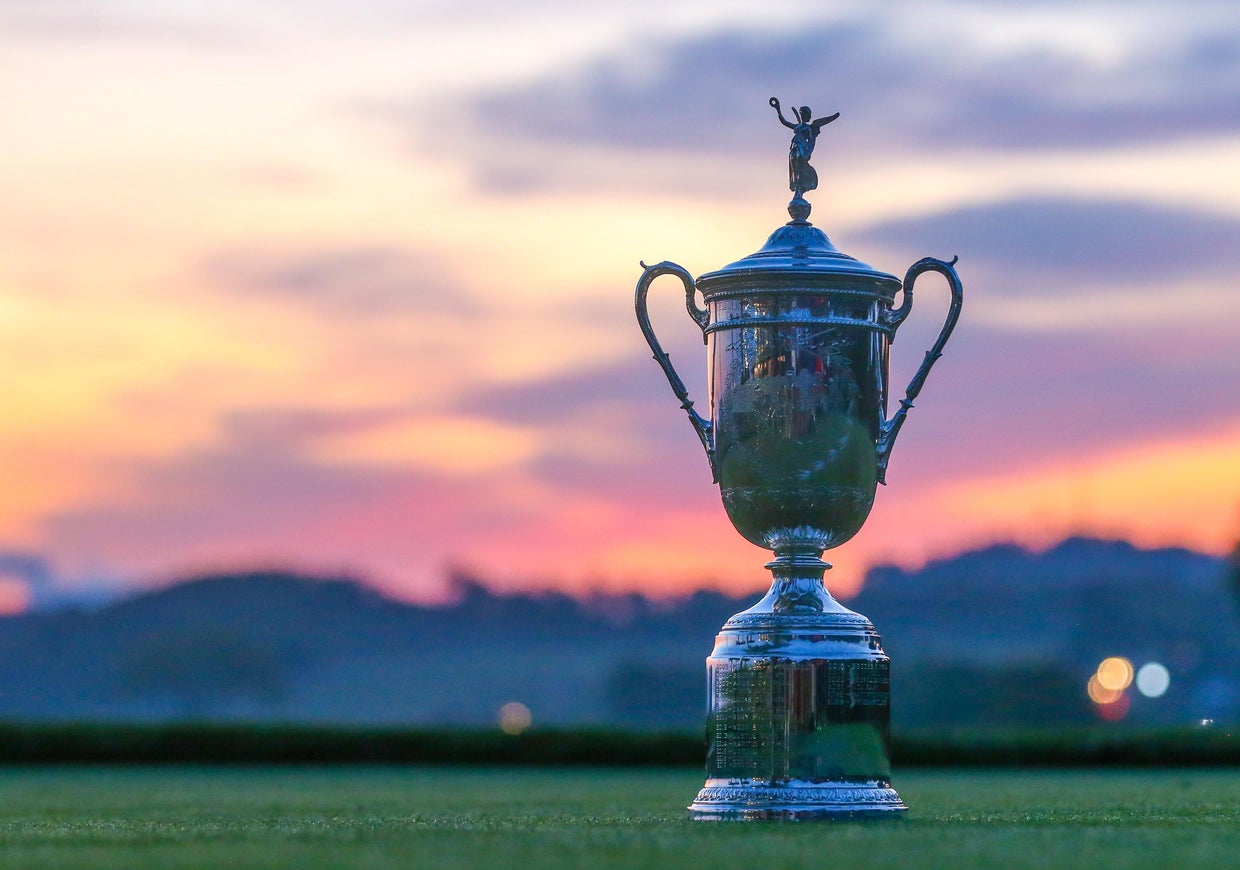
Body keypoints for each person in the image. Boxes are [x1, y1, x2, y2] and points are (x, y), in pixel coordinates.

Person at [769, 98, 839, 198]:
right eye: (805, 114)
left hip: (803, 148)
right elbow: (784, 121)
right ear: (802, 115)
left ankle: (801, 186)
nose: (807, 116)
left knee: (800, 165)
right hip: (794, 148)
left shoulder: (811, 127)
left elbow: (812, 139)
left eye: (808, 114)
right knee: (795, 169)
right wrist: (778, 109)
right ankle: (798, 189)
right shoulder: (797, 126)